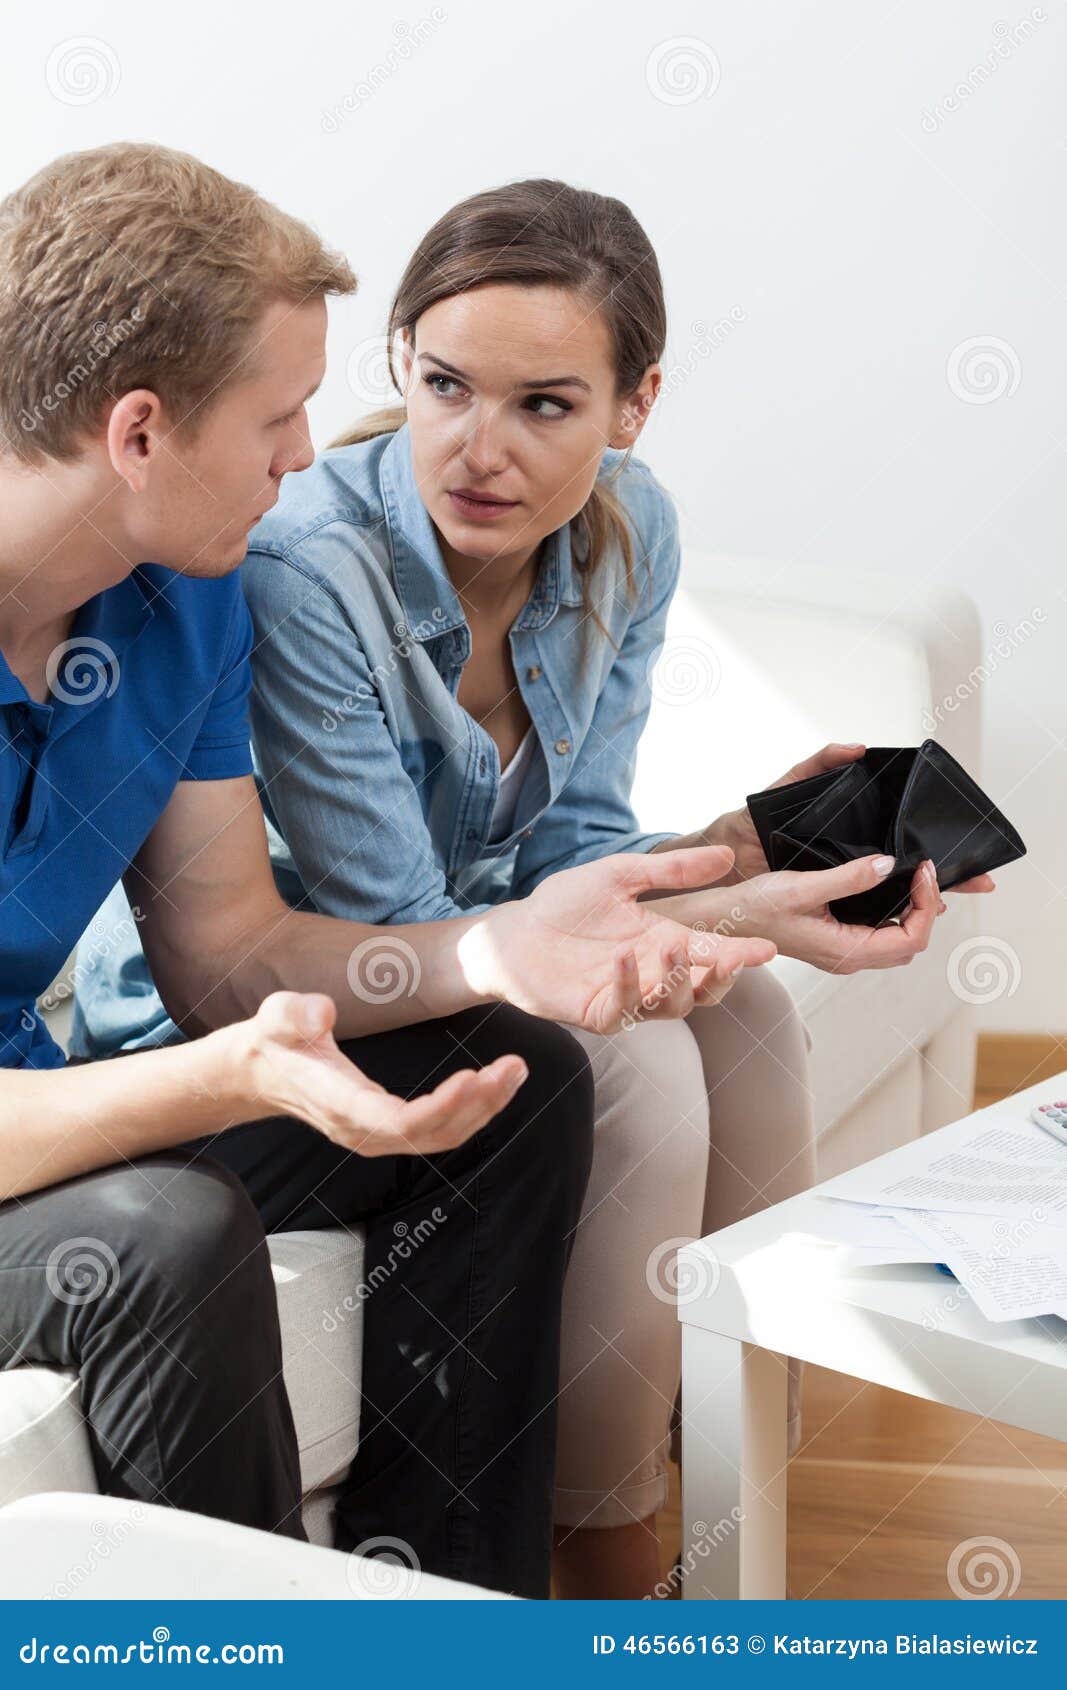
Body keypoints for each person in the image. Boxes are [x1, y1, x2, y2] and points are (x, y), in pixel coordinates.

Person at [75, 174, 997, 1595]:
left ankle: (735, 1454)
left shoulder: (628, 532)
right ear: (400, 361)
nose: (478, 449)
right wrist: (730, 905)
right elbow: (400, 919)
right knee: (633, 1072)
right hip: (319, 983)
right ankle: (607, 1539)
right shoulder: (309, 566)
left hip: (468, 954)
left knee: (743, 1019)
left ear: (634, 405)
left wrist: (747, 848)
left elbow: (562, 858)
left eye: (546, 405)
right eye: (445, 385)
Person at [0, 144, 776, 1600]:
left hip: (42, 1111)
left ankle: (458, 1612)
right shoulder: (282, 566)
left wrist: (492, 959)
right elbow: (216, 1045)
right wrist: (227, 1078)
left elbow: (231, 955)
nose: (311, 457)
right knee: (166, 1233)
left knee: (506, 1078)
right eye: (280, 417)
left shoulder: (183, 603)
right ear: (140, 432)